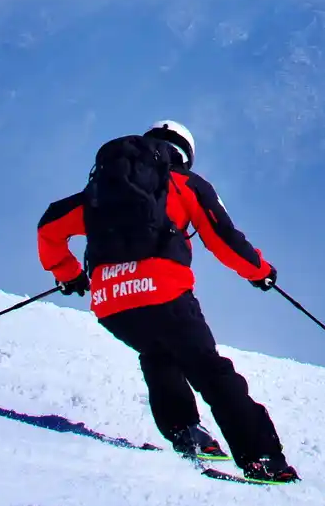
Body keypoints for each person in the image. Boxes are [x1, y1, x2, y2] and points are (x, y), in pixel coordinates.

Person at [37, 120, 299, 483]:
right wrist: (260, 271)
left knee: (158, 354)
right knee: (210, 370)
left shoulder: (105, 189)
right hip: (164, 291)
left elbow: (49, 226)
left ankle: (185, 433)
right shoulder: (184, 183)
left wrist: (68, 275)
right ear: (185, 157)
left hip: (111, 301)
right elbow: (222, 237)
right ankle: (263, 460)